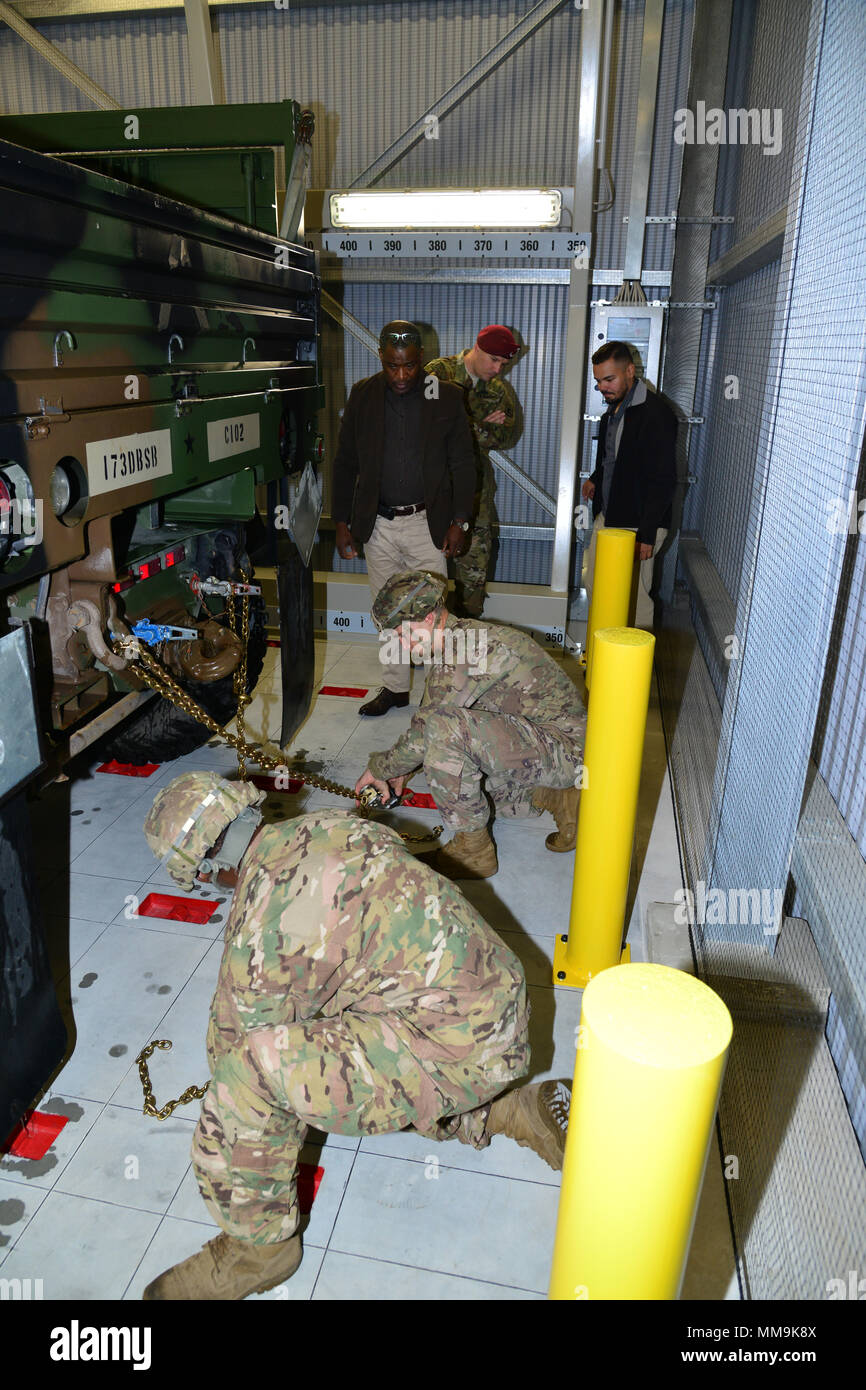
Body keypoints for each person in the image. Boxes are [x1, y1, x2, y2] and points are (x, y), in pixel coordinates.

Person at [139, 771, 571, 1301]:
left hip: (459, 1047)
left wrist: (244, 1122)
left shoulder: (262, 930)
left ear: (208, 869)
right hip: (497, 1006)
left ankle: (260, 1249)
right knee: (336, 1007)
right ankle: (509, 1109)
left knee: (249, 1074)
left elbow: (233, 1049)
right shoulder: (331, 824)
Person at [354, 571, 587, 880]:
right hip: (544, 744)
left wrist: (380, 769)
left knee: (447, 753)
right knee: (459, 782)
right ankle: (553, 795)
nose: (399, 643)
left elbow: (434, 730)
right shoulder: (456, 643)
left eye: (400, 633)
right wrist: (402, 771)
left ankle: (474, 853)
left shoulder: (464, 652)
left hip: (568, 751)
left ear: (427, 618)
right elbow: (426, 726)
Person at [331, 320, 476, 715]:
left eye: (409, 366)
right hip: (377, 525)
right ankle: (395, 688)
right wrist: (341, 521)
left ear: (421, 360)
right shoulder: (363, 395)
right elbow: (345, 463)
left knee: (433, 613)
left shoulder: (444, 397)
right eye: (393, 366)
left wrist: (460, 521)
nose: (400, 375)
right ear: (380, 356)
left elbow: (464, 463)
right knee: (387, 610)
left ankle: (441, 692)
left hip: (425, 523)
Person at [425, 324, 522, 617]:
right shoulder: (438, 374)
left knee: (472, 589)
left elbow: (509, 435)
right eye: (493, 360)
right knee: (427, 582)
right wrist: (479, 426)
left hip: (474, 503)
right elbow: (426, 426)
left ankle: (462, 655)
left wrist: (464, 426)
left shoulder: (498, 390)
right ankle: (427, 649)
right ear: (476, 348)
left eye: (504, 364)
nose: (497, 369)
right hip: (432, 495)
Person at [580, 340, 677, 628]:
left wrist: (647, 534)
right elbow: (615, 457)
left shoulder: (657, 415)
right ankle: (600, 664)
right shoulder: (613, 411)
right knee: (596, 586)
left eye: (609, 379)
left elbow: (663, 479)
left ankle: (633, 671)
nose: (603, 387)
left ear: (630, 371)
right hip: (609, 517)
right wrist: (597, 479)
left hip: (639, 524)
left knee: (635, 600)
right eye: (598, 381)